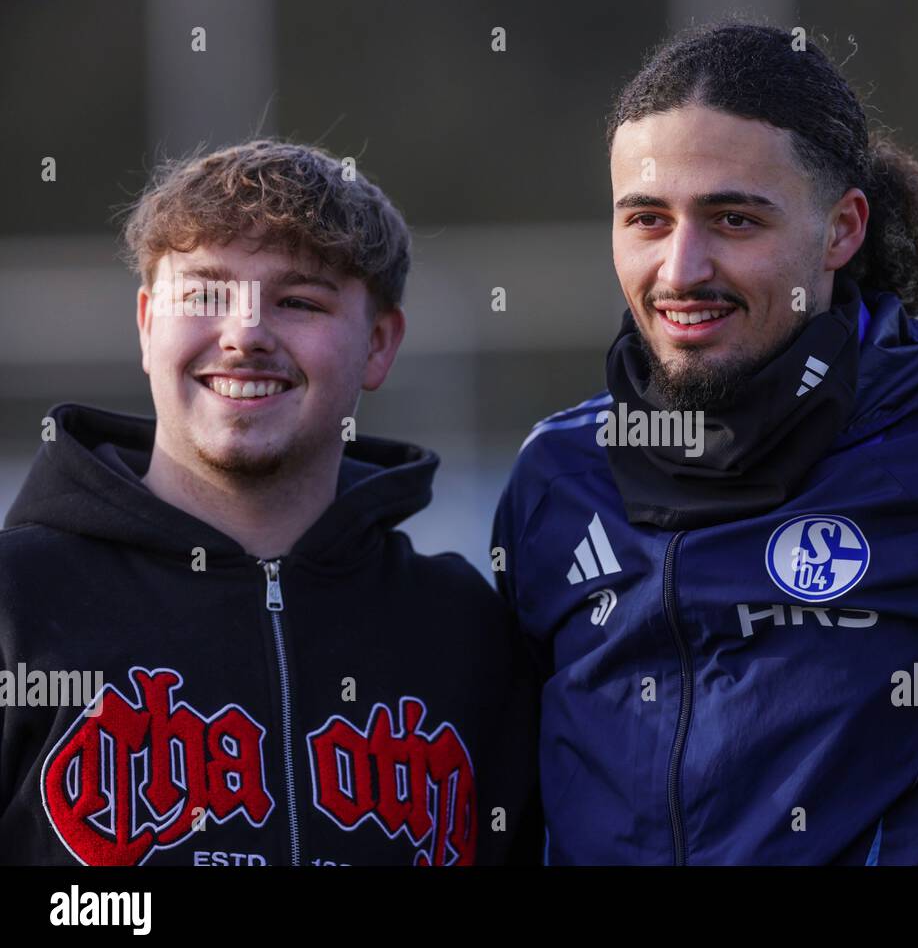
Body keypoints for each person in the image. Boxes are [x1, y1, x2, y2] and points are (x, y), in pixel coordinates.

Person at [492, 22, 918, 864]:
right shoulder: (558, 473)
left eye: (733, 219)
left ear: (841, 231)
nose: (682, 270)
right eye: (647, 220)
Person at [0, 140, 540, 866]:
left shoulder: (464, 629)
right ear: (146, 324)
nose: (246, 333)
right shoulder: (19, 603)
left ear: (378, 345)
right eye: (204, 294)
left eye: (298, 301)